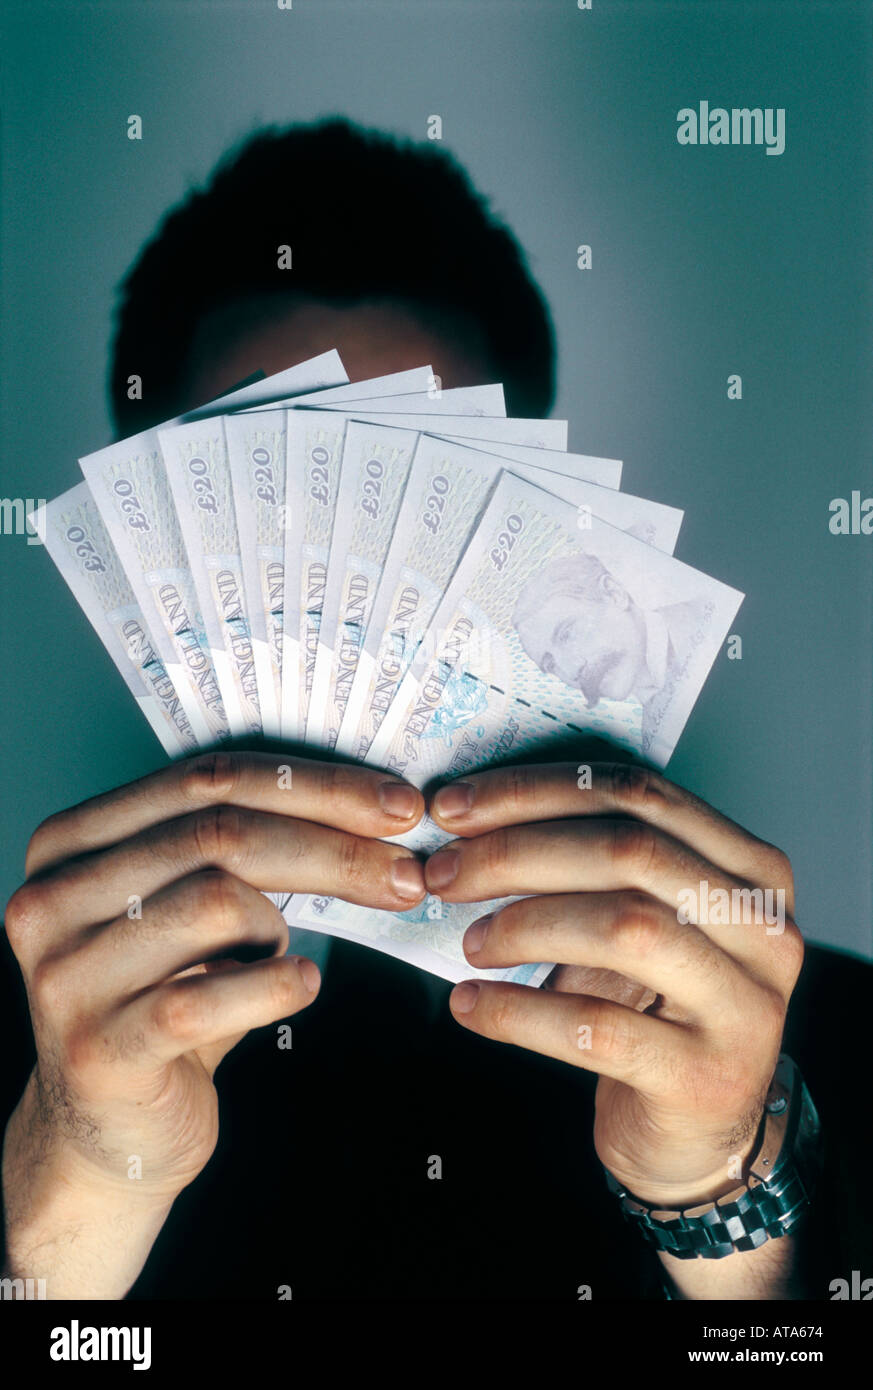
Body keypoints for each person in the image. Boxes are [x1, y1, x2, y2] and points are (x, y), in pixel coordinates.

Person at [1, 118, 869, 1303]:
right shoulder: (30, 1019)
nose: (355, 616)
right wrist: (82, 1199)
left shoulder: (811, 1026)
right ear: (151, 568)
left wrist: (726, 1197)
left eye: (422, 513)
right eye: (275, 529)